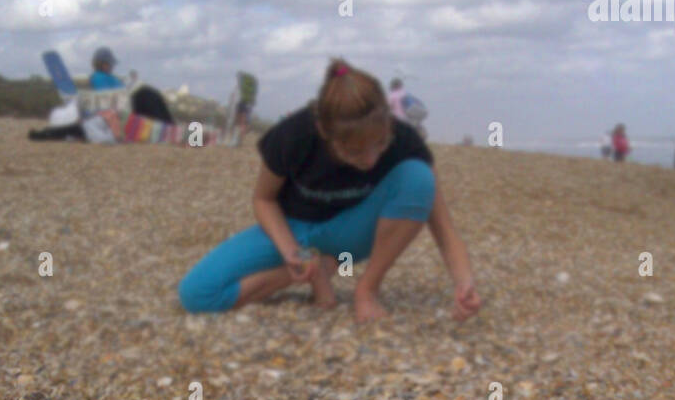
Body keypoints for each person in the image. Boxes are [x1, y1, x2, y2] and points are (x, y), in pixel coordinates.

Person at [178, 58, 481, 325]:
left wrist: (464, 284)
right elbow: (263, 200)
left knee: (419, 176)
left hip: (349, 233)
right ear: (324, 132)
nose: (371, 159)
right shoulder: (294, 135)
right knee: (197, 295)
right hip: (294, 227)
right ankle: (317, 268)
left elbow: (443, 227)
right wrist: (292, 253)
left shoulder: (403, 139)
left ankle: (366, 290)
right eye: (355, 151)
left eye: (380, 144)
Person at [89, 47, 173, 124]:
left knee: (153, 95)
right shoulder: (98, 77)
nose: (111, 66)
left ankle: (169, 124)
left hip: (126, 101)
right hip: (123, 105)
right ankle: (168, 125)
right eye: (109, 64)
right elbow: (105, 95)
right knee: (147, 95)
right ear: (103, 64)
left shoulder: (109, 76)